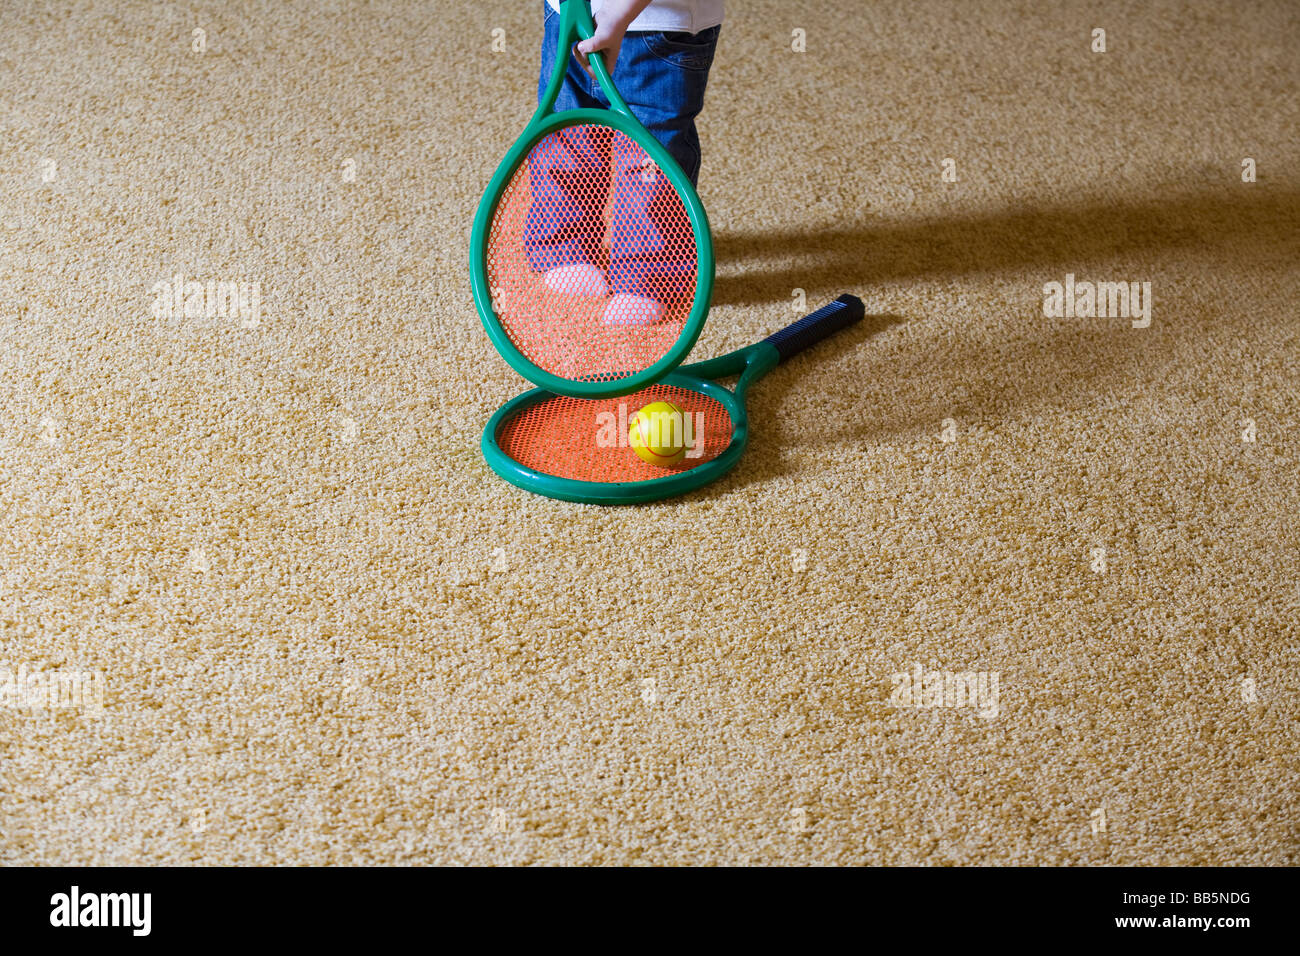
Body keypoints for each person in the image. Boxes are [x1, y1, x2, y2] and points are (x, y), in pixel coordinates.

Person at [524, 0, 723, 325]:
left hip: (660, 29)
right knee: (566, 135)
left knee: (651, 160)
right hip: (569, 16)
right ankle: (564, 243)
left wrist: (618, 13)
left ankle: (649, 274)